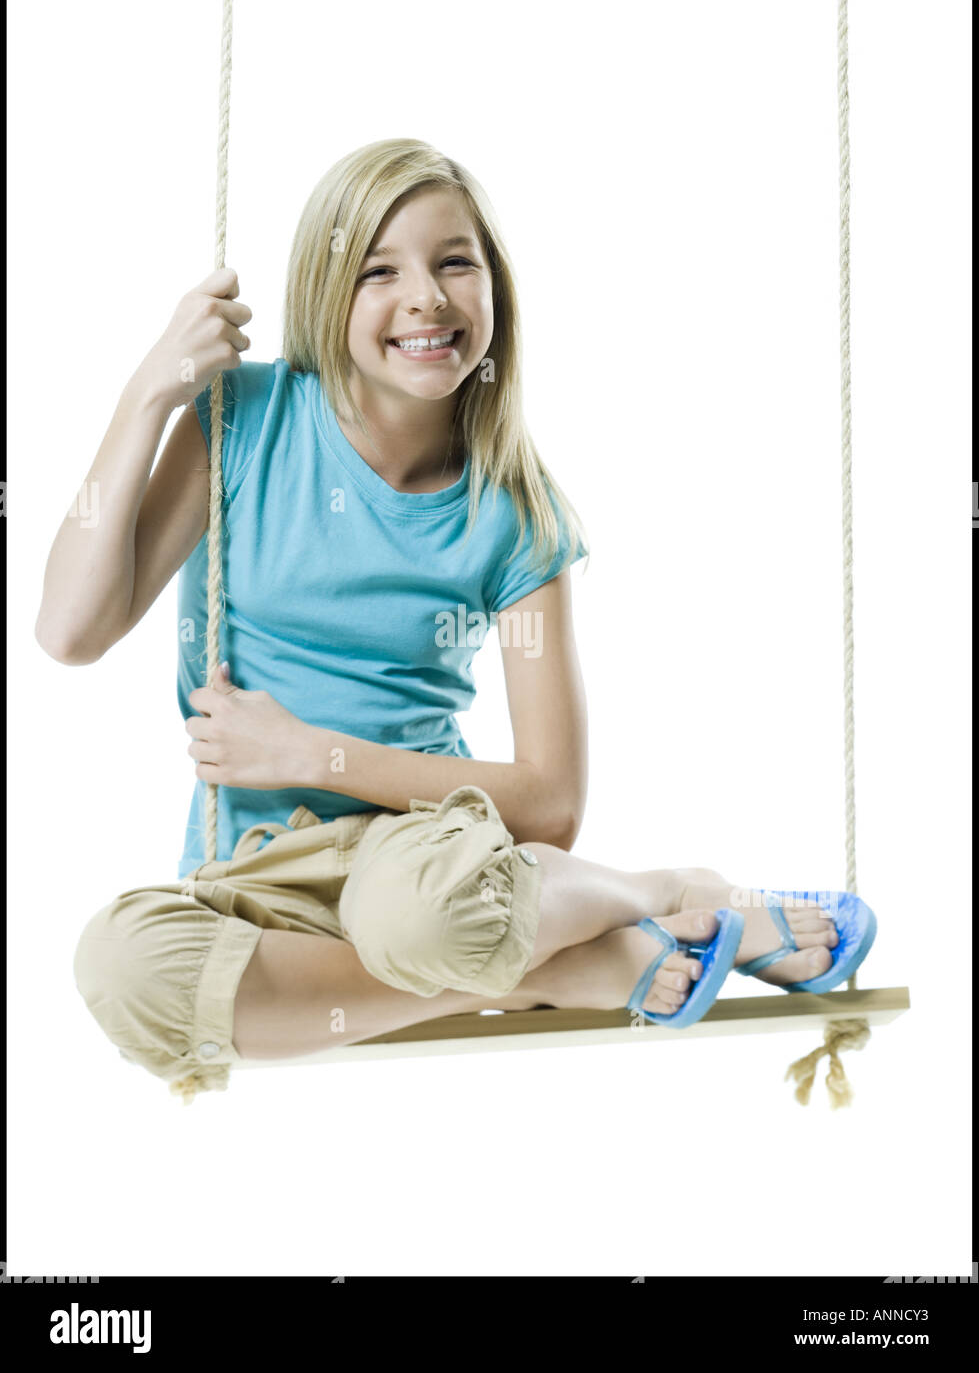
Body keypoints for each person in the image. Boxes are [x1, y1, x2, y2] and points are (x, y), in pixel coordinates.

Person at [36, 139, 839, 1102]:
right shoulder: (242, 421)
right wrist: (146, 396)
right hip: (253, 873)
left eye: (454, 261)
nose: (424, 296)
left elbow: (549, 804)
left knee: (422, 922)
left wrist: (310, 755)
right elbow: (71, 631)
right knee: (125, 971)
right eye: (379, 270)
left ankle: (657, 894)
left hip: (423, 860)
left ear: (494, 285)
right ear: (327, 293)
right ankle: (549, 969)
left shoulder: (515, 509)